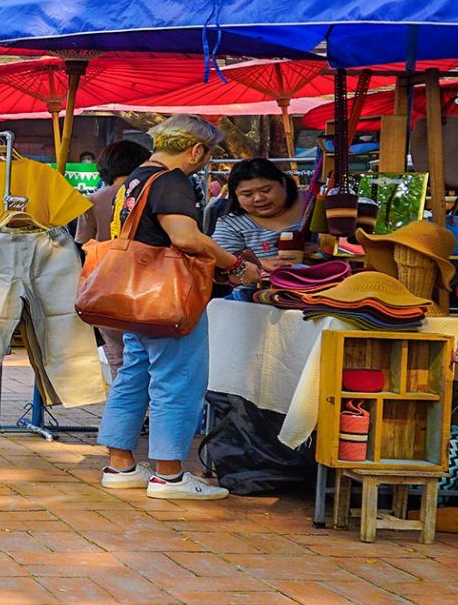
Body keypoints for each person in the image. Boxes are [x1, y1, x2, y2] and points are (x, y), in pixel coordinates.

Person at [97, 116, 262, 501]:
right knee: (177, 380)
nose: (204, 163)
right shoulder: (171, 181)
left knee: (133, 377)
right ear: (196, 149)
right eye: (207, 155)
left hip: (136, 297)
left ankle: (120, 465)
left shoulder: (136, 178)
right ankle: (169, 475)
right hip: (169, 298)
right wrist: (235, 265)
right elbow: (186, 238)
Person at [73, 140, 150, 377]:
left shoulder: (92, 200)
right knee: (153, 357)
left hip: (105, 286)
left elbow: (82, 244)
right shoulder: (150, 193)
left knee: (119, 359)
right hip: (148, 283)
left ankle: (124, 412)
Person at [212, 158, 308, 265]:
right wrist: (259, 264)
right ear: (236, 196)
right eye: (247, 194)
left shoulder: (312, 203)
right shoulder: (230, 225)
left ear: (283, 183)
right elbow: (221, 263)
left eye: (266, 190)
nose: (259, 198)